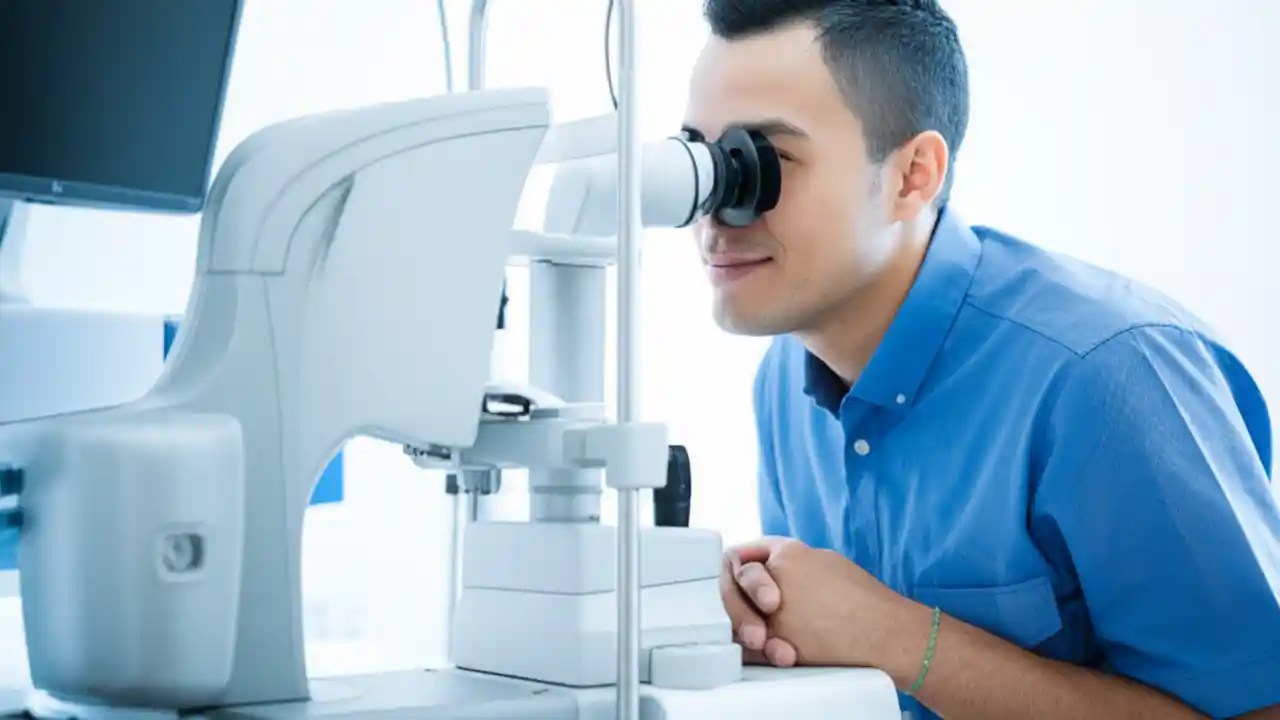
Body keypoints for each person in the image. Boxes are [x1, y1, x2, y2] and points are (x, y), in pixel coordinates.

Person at [680, 1, 1280, 718]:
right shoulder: (786, 376)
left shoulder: (1106, 376)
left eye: (760, 163)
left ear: (913, 176)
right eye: (700, 162)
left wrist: (899, 638)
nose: (714, 210)